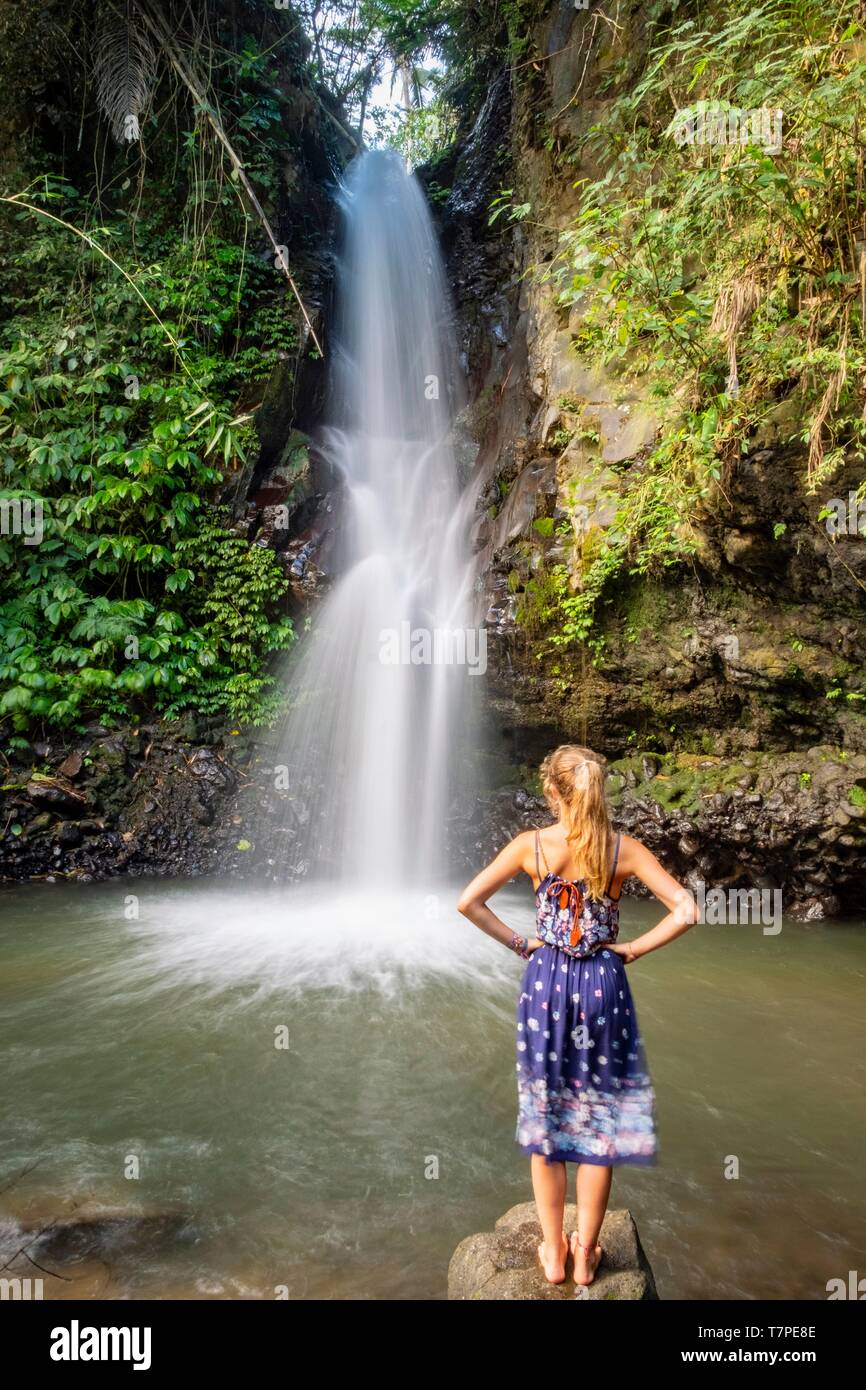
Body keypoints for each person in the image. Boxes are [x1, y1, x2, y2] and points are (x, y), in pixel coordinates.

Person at [457, 744, 697, 1287]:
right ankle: (587, 1253)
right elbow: (687, 910)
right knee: (597, 1116)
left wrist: (524, 944)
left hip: (546, 985)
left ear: (552, 791)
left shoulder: (531, 847)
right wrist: (632, 948)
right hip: (603, 987)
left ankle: (553, 1251)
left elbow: (468, 902)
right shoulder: (623, 850)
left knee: (547, 1112)